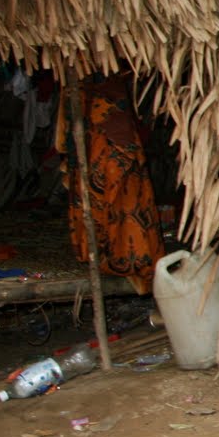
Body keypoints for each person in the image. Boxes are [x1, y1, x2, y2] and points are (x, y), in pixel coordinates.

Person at [56, 71, 164, 293]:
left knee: (125, 211)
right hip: (101, 154)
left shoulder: (106, 97)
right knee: (108, 210)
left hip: (115, 159)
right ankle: (115, 257)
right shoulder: (84, 93)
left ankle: (129, 262)